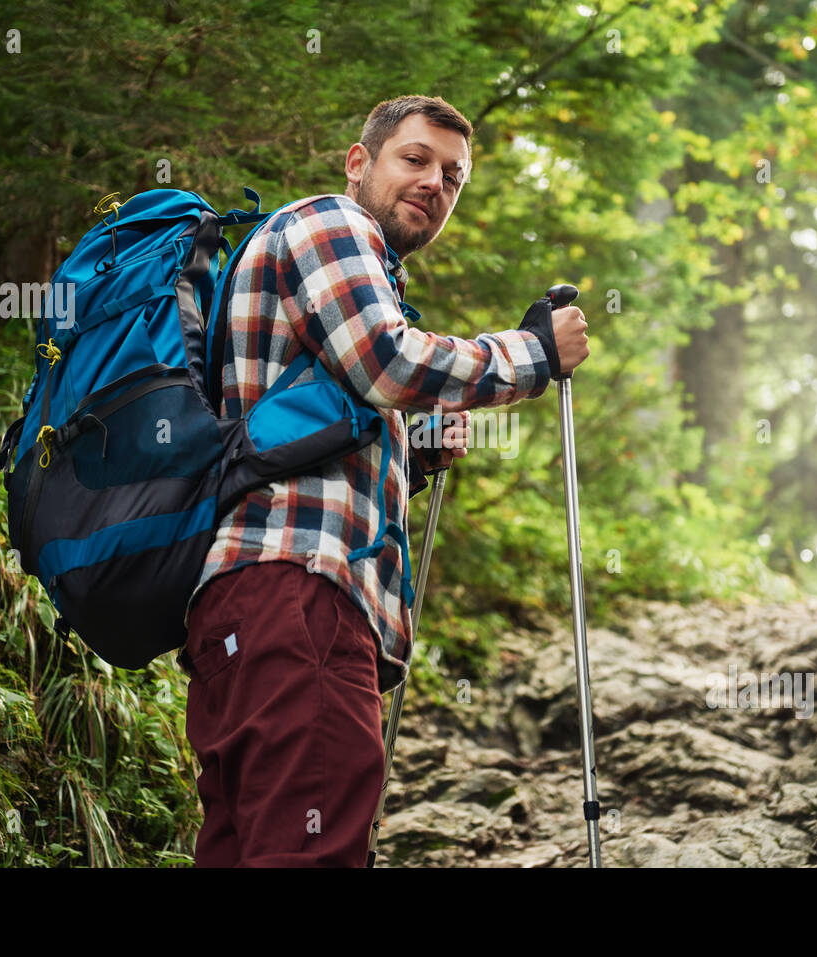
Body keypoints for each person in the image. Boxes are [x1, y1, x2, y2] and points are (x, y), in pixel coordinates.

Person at [179, 94, 589, 867]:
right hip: (304, 594)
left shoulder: (343, 262)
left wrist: (414, 448)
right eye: (416, 159)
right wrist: (533, 352)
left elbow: (317, 412)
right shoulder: (332, 224)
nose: (436, 182)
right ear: (359, 162)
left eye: (454, 176)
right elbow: (387, 360)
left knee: (247, 847)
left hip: (247, 604)